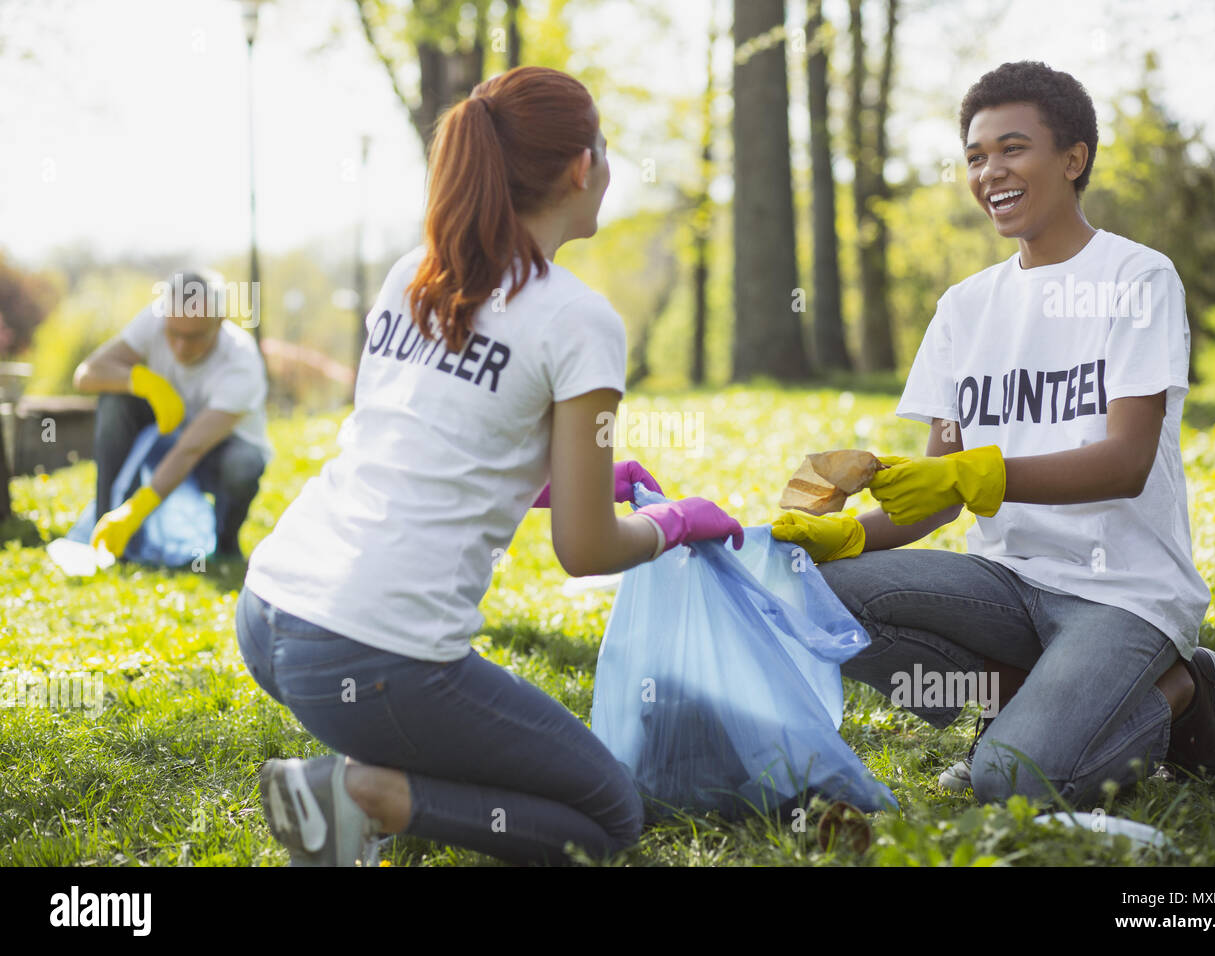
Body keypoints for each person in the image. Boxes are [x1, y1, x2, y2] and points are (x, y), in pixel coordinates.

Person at [236, 66, 744, 867]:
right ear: (583, 167)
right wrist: (676, 522)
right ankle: (364, 794)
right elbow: (588, 552)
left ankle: (367, 783)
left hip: (269, 614)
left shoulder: (416, 269)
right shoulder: (581, 320)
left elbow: (415, 440)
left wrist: (555, 484)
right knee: (610, 816)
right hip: (373, 658)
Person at [773, 61, 1215, 808]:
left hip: (1121, 594)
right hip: (1008, 583)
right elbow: (941, 495)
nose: (990, 172)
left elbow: (1125, 462)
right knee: (804, 592)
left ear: (1072, 158)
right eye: (976, 156)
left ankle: (1178, 686)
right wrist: (844, 539)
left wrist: (975, 476)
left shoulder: (1138, 279)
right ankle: (1020, 699)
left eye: (1012, 149)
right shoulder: (964, 309)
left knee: (1012, 782)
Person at [73, 270, 270, 560]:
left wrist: (138, 508)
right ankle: (108, 530)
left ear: (219, 322)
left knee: (243, 465)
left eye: (194, 337)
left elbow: (191, 448)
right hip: (163, 441)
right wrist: (142, 381)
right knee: (116, 402)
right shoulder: (156, 318)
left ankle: (225, 544)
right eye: (173, 333)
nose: (180, 347)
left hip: (213, 455)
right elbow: (86, 375)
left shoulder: (241, 360)